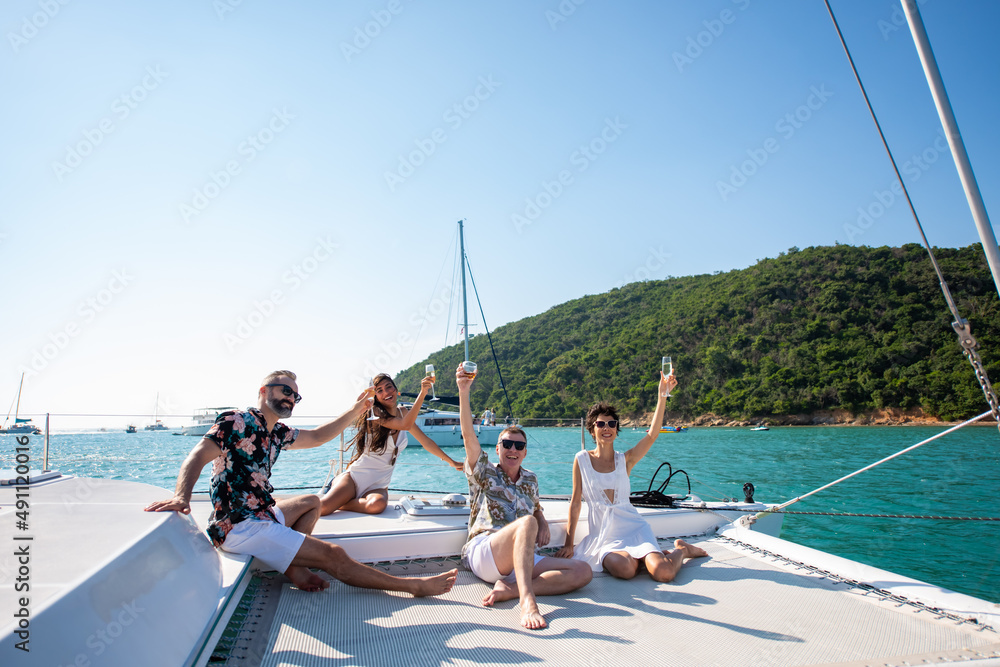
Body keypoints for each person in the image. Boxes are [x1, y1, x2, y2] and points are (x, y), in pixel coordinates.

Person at [145, 370, 457, 597]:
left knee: (311, 501)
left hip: (264, 514)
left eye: (295, 395)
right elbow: (198, 455)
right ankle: (414, 586)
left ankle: (293, 567)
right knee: (333, 555)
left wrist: (354, 410)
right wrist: (181, 496)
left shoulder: (277, 432)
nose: (291, 398)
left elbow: (319, 436)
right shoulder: (236, 422)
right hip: (239, 526)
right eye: (285, 391)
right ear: (264, 390)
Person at [456, 364, 592, 630]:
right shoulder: (484, 472)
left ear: (525, 452)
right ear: (497, 449)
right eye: (507, 444)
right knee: (527, 523)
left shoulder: (531, 478)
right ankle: (527, 600)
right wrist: (464, 392)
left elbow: (536, 507)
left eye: (519, 446)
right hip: (487, 551)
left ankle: (510, 590)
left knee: (582, 572)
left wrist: (541, 518)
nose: (513, 449)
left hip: (524, 556)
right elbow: (469, 436)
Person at [555, 372, 708, 582]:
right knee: (625, 570)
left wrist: (662, 396)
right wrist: (568, 544)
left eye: (611, 424)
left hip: (634, 528)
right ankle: (642, 558)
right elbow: (575, 504)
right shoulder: (581, 459)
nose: (606, 428)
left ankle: (681, 550)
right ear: (592, 430)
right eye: (600, 424)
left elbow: (653, 434)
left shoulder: (625, 460)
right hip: (605, 536)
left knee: (664, 573)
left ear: (617, 429)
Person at [319, 372, 462, 516]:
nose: (386, 392)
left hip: (379, 484)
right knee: (324, 508)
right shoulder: (374, 414)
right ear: (375, 396)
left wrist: (452, 462)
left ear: (395, 389)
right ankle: (338, 497)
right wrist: (423, 392)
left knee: (377, 506)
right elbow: (405, 425)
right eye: (379, 391)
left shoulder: (403, 412)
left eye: (389, 387)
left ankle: (342, 502)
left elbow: (426, 442)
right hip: (355, 477)